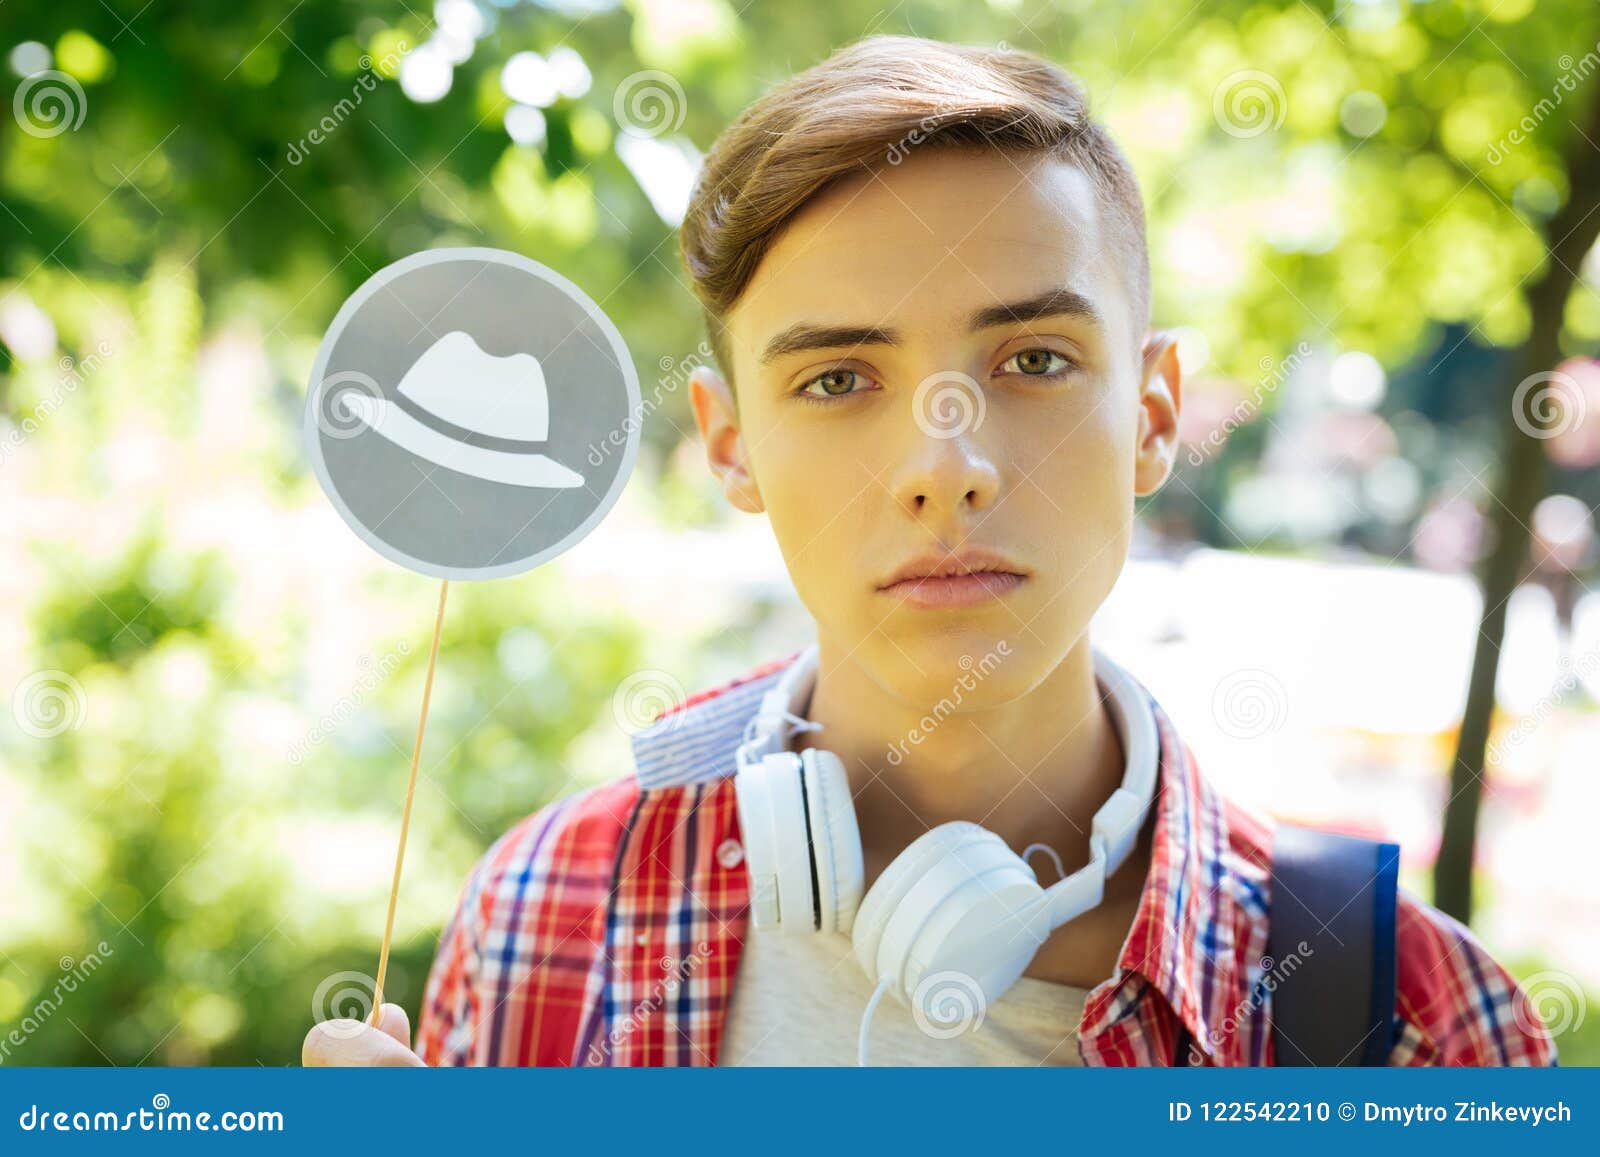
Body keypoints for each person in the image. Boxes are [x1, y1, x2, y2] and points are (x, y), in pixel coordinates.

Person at [302, 34, 1555, 1068]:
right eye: (839, 377)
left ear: (1155, 414)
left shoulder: (1420, 1027)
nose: (943, 462)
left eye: (1033, 361)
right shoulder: (541, 916)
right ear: (730, 446)